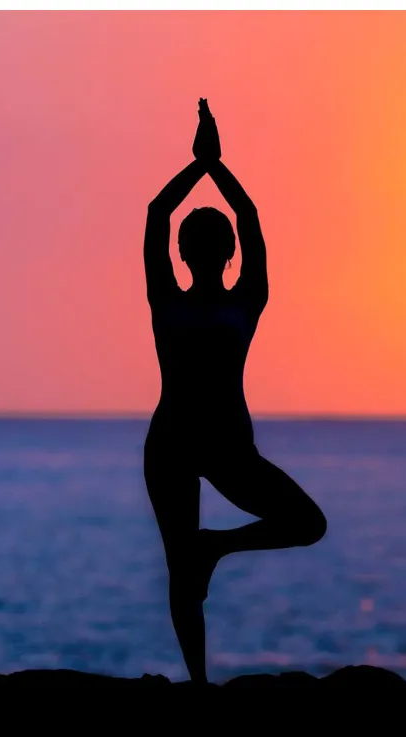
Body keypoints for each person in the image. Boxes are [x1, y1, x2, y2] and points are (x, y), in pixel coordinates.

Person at [143, 99, 327, 684]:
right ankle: (215, 553)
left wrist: (198, 165)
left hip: (185, 440)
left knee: (182, 565)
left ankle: (198, 679)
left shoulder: (167, 301)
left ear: (182, 253)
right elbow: (247, 216)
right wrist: (215, 164)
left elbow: (157, 212)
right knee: (304, 524)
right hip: (208, 443)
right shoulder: (244, 301)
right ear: (228, 254)